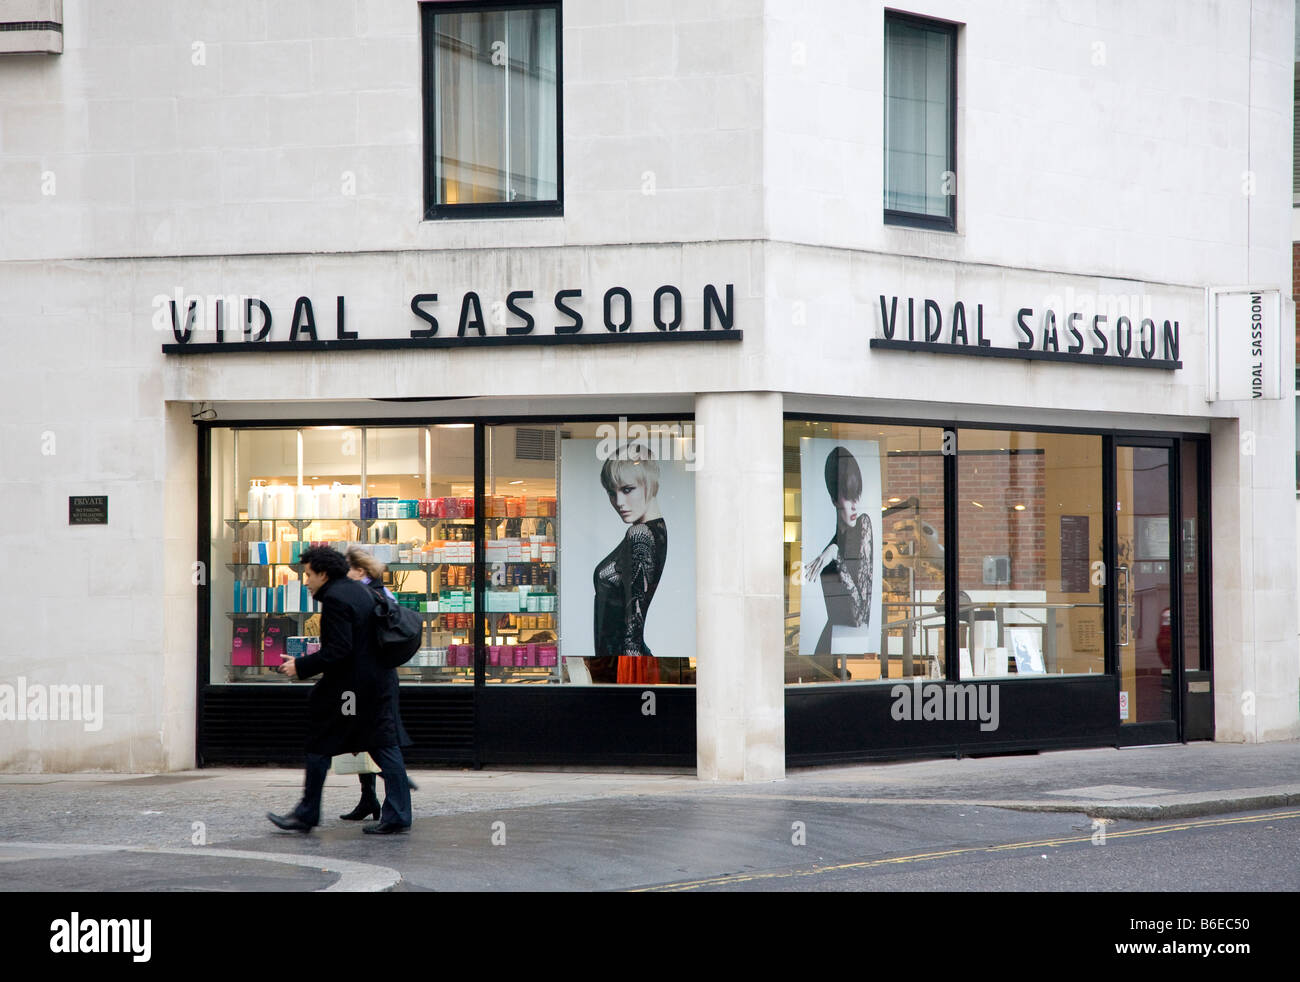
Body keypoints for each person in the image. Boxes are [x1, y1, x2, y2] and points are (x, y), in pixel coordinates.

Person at [266, 546, 413, 835]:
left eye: (308, 574)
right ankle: (397, 813)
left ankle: (307, 814)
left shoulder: (335, 598)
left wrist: (301, 666)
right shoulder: (358, 590)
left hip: (351, 687)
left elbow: (340, 649)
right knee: (382, 743)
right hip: (376, 681)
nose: (306, 581)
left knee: (322, 743)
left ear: (322, 573)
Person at [334, 546, 419, 820]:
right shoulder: (381, 594)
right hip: (376, 677)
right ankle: (370, 798)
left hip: (370, 680)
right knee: (364, 738)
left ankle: (397, 809)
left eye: (346, 569)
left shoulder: (364, 597)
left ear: (361, 571)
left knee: (382, 743)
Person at [590, 443, 668, 685]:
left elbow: (633, 628)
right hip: (617, 663)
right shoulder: (654, 530)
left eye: (627, 489)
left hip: (622, 667)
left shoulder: (641, 535)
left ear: (650, 484)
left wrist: (627, 684)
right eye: (612, 493)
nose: (619, 502)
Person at [805, 446, 873, 658]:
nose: (855, 505)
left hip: (854, 646)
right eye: (848, 497)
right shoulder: (828, 549)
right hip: (831, 643)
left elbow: (859, 615)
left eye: (857, 496)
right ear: (835, 499)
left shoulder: (863, 526)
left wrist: (837, 556)